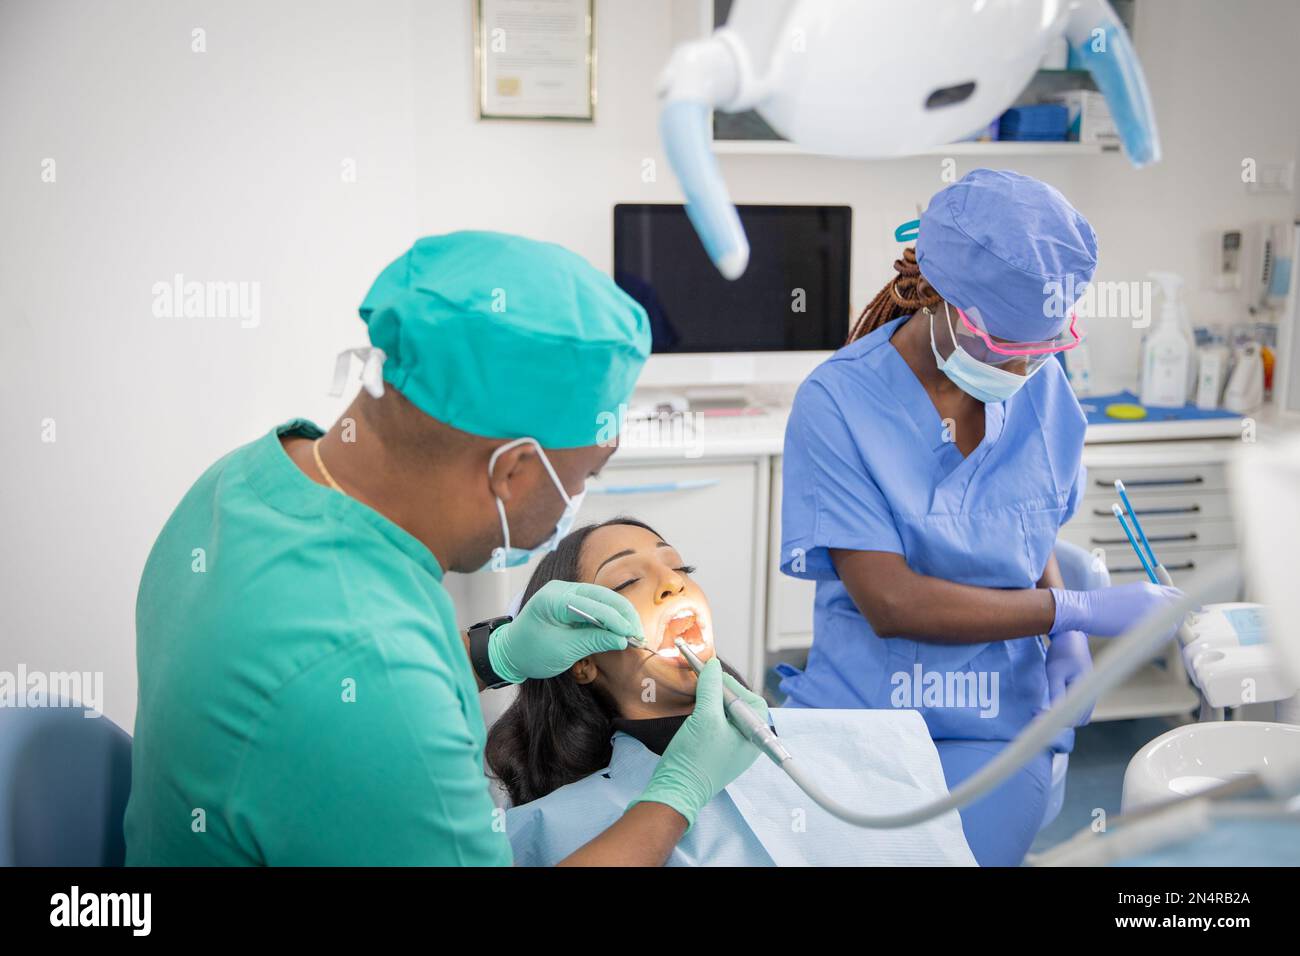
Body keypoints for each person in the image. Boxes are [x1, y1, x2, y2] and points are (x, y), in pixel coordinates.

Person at [125, 231, 765, 865]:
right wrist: (674, 798)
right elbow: (360, 687)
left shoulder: (242, 482)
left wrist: (492, 653)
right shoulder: (375, 668)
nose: (583, 495)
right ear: (513, 470)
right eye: (586, 475)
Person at [777, 170, 1181, 866]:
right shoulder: (838, 403)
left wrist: (1064, 641)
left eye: (1043, 347)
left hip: (999, 718)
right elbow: (891, 602)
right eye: (1007, 346)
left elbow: (1030, 519)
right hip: (863, 710)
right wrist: (1069, 611)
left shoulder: (1042, 385)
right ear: (943, 302)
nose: (1025, 369)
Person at [489, 518, 975, 866]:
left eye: (681, 569)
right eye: (628, 580)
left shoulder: (867, 744)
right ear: (582, 662)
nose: (671, 586)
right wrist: (678, 793)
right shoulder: (552, 829)